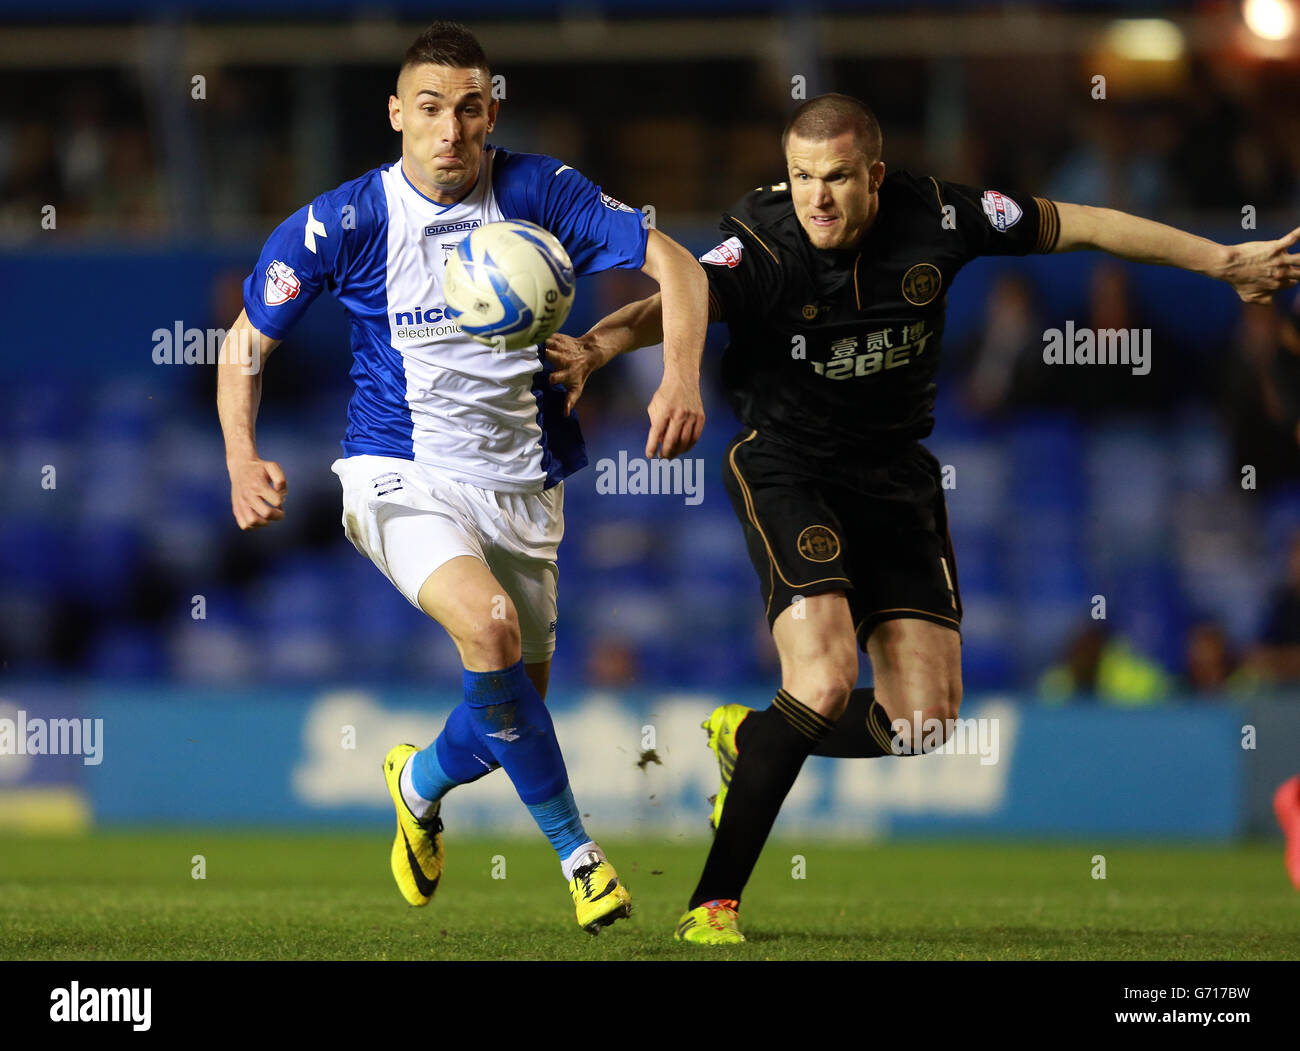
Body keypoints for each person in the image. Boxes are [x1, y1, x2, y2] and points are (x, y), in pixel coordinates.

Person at [546, 92, 1300, 944]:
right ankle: (713, 901)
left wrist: (1222, 263)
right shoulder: (764, 238)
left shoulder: (942, 214)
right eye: (800, 177)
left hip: (897, 480)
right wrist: (601, 348)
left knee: (925, 722)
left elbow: (1087, 224)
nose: (816, 198)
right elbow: (675, 294)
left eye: (835, 179)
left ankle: (752, 741)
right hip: (788, 468)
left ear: (873, 174)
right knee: (824, 679)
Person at [215, 21, 708, 934]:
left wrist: (677, 374)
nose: (451, 130)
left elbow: (676, 264)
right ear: (398, 114)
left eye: (470, 109)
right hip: (397, 473)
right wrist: (242, 457)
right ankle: (582, 859)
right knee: (487, 630)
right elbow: (245, 343)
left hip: (522, 483)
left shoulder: (539, 189)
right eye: (432, 109)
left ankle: (416, 781)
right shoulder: (346, 220)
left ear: (493, 113)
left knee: (513, 703)